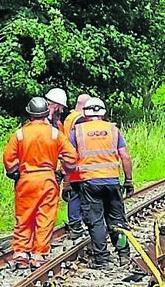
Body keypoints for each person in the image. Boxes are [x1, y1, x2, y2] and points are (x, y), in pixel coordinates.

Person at [3, 97, 76, 269]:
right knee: (45, 217)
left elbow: (8, 159)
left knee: (24, 217)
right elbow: (72, 159)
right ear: (46, 114)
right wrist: (63, 172)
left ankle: (21, 254)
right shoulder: (54, 133)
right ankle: (38, 255)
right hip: (48, 180)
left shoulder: (20, 133)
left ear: (29, 114)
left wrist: (15, 173)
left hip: (26, 180)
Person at [70, 97, 135, 269]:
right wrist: (128, 181)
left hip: (89, 182)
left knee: (96, 221)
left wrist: (67, 184)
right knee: (117, 220)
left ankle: (103, 260)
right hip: (112, 181)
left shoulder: (77, 131)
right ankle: (123, 255)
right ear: (103, 113)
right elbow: (125, 157)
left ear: (85, 113)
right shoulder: (113, 129)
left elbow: (68, 160)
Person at [62, 93, 91, 238]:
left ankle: (74, 223)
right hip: (80, 162)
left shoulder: (69, 117)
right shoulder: (81, 120)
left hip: (69, 161)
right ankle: (77, 224)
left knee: (73, 194)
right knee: (80, 195)